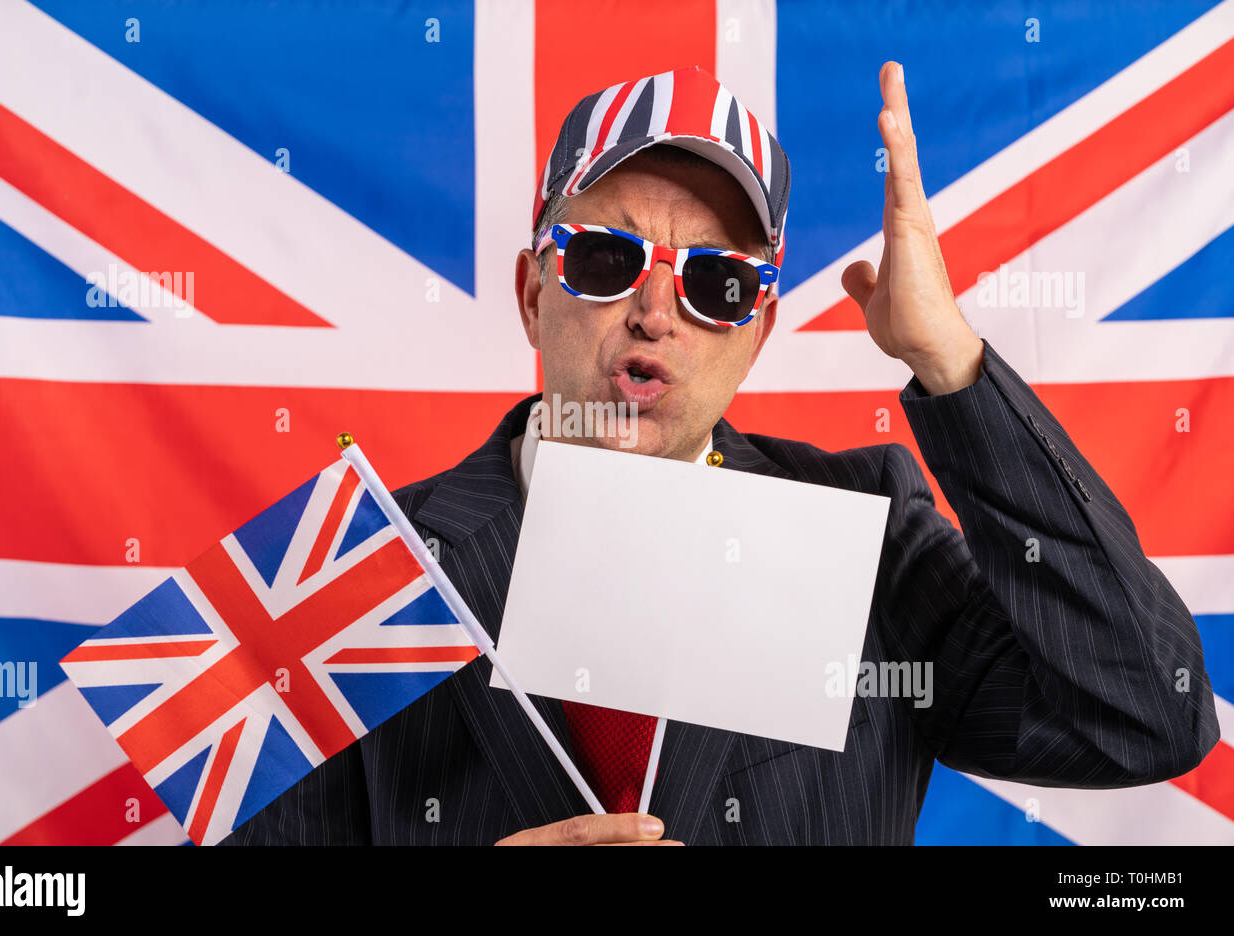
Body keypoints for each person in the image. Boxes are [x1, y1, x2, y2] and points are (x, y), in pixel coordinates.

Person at [222, 62, 1219, 846]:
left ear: (757, 330)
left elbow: (1146, 714)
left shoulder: (868, 544)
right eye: (608, 261)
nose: (656, 311)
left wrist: (946, 358)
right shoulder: (359, 571)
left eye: (716, 285)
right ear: (534, 293)